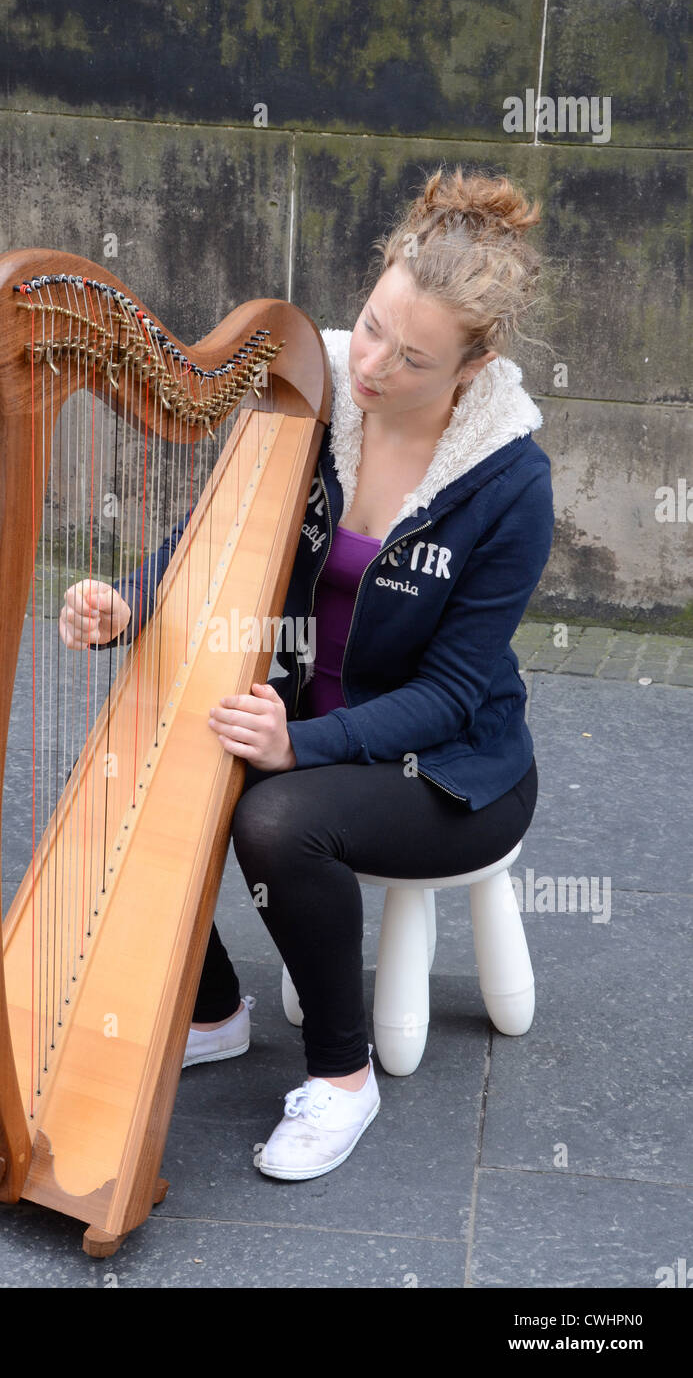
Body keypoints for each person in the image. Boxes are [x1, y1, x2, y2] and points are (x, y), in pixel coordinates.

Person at [59, 165, 555, 1184]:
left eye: (412, 356)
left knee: (277, 819)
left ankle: (340, 1078)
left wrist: (304, 743)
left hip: (449, 766)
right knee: (133, 764)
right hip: (300, 709)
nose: (372, 364)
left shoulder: (509, 483)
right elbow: (207, 539)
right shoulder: (309, 388)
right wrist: (127, 602)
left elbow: (457, 691)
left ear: (474, 362)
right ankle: (213, 1010)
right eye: (372, 324)